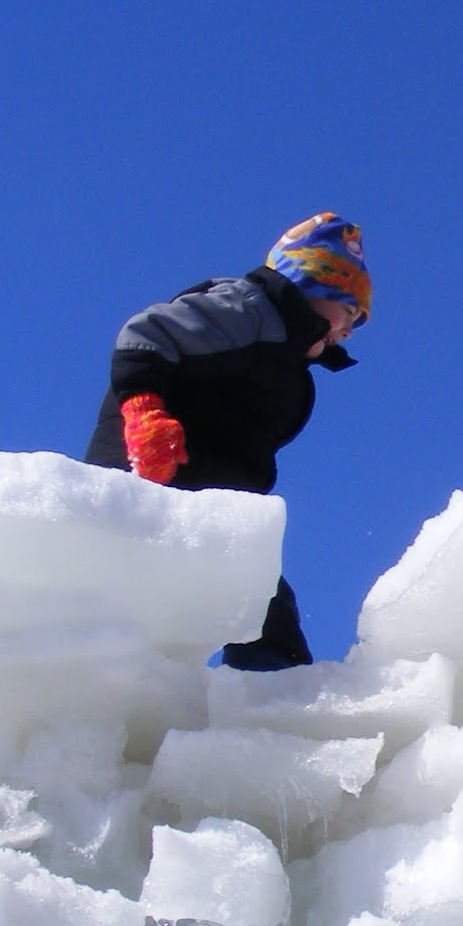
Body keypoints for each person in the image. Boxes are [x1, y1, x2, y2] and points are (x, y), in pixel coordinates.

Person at [85, 211, 371, 669]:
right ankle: (267, 696)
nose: (350, 330)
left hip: (209, 498)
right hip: (150, 471)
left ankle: (269, 693)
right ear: (315, 287)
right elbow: (146, 335)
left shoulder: (284, 360)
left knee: (262, 600)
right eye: (349, 310)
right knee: (245, 595)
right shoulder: (250, 310)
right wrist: (145, 415)